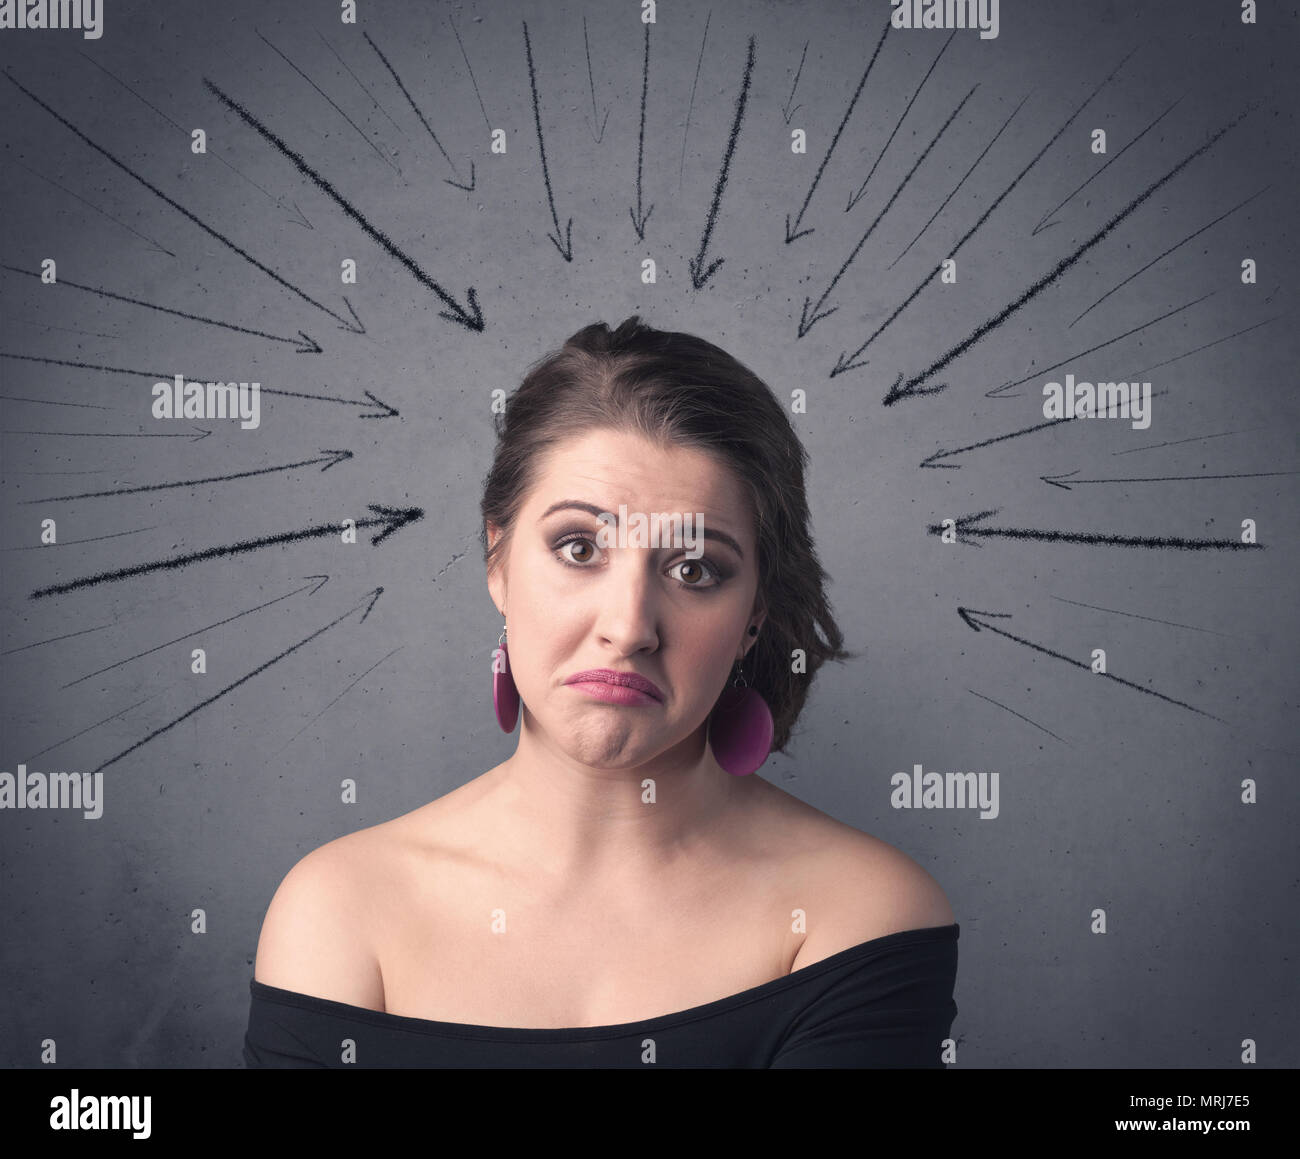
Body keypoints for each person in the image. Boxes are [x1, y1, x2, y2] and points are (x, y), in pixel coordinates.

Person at [243, 316, 958, 1068]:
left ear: (753, 616)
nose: (628, 627)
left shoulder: (862, 914)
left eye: (694, 569)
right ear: (498, 560)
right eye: (579, 548)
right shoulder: (340, 909)